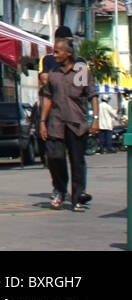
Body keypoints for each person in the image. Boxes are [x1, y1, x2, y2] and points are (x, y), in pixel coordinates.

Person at [40, 37, 97, 212]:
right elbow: (48, 98)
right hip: (56, 122)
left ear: (68, 53)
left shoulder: (81, 72)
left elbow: (92, 95)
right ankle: (60, 188)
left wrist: (95, 119)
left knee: (77, 161)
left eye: (57, 52)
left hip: (76, 123)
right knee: (55, 157)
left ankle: (77, 197)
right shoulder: (54, 74)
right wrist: (42, 121)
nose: (54, 55)